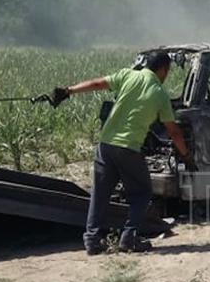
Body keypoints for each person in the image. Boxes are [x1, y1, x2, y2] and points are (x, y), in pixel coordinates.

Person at [50, 52, 194, 255]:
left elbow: (98, 84)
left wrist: (68, 91)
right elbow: (174, 132)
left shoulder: (127, 75)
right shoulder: (160, 94)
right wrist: (186, 156)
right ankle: (129, 237)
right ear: (163, 69)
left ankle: (92, 239)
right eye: (167, 71)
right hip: (129, 149)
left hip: (105, 145)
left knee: (100, 194)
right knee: (142, 193)